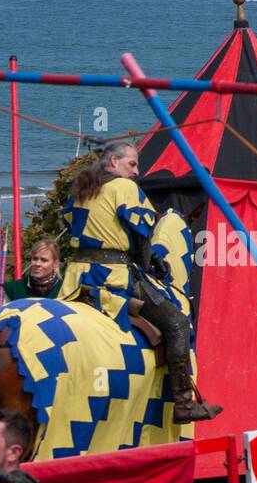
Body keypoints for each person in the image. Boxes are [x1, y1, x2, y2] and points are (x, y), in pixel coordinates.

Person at [60, 141, 220, 423]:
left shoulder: (81, 190)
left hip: (75, 277)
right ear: (113, 162)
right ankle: (183, 403)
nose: (137, 172)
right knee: (177, 324)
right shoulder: (124, 188)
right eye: (132, 164)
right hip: (111, 276)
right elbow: (142, 232)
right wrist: (149, 264)